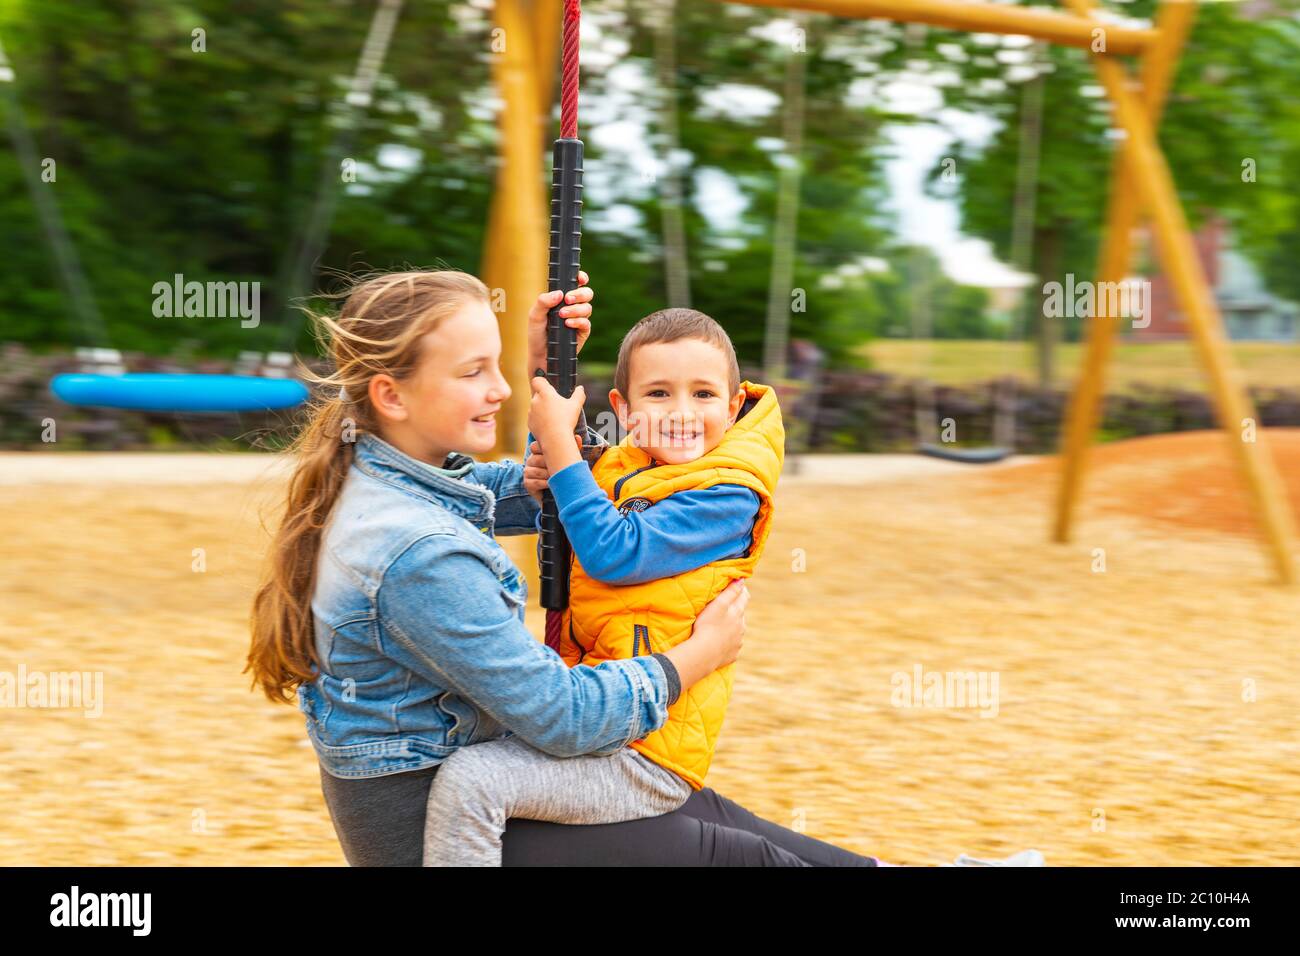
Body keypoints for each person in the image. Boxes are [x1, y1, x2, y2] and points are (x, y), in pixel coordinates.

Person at [244, 267, 887, 866]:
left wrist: (545, 367)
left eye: (498, 367)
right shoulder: (417, 552)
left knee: (714, 818)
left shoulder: (390, 480)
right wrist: (703, 653)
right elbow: (567, 717)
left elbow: (548, 494)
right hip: (449, 825)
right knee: (722, 854)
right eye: (474, 372)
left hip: (489, 773)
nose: (501, 390)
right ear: (392, 394)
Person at [421, 308, 791, 866]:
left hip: (644, 750)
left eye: (704, 395)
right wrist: (545, 367)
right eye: (659, 394)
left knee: (474, 780)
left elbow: (614, 552)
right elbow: (555, 484)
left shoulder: (728, 495)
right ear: (623, 409)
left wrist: (562, 445)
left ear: (735, 406)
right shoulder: (631, 463)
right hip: (601, 713)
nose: (682, 413)